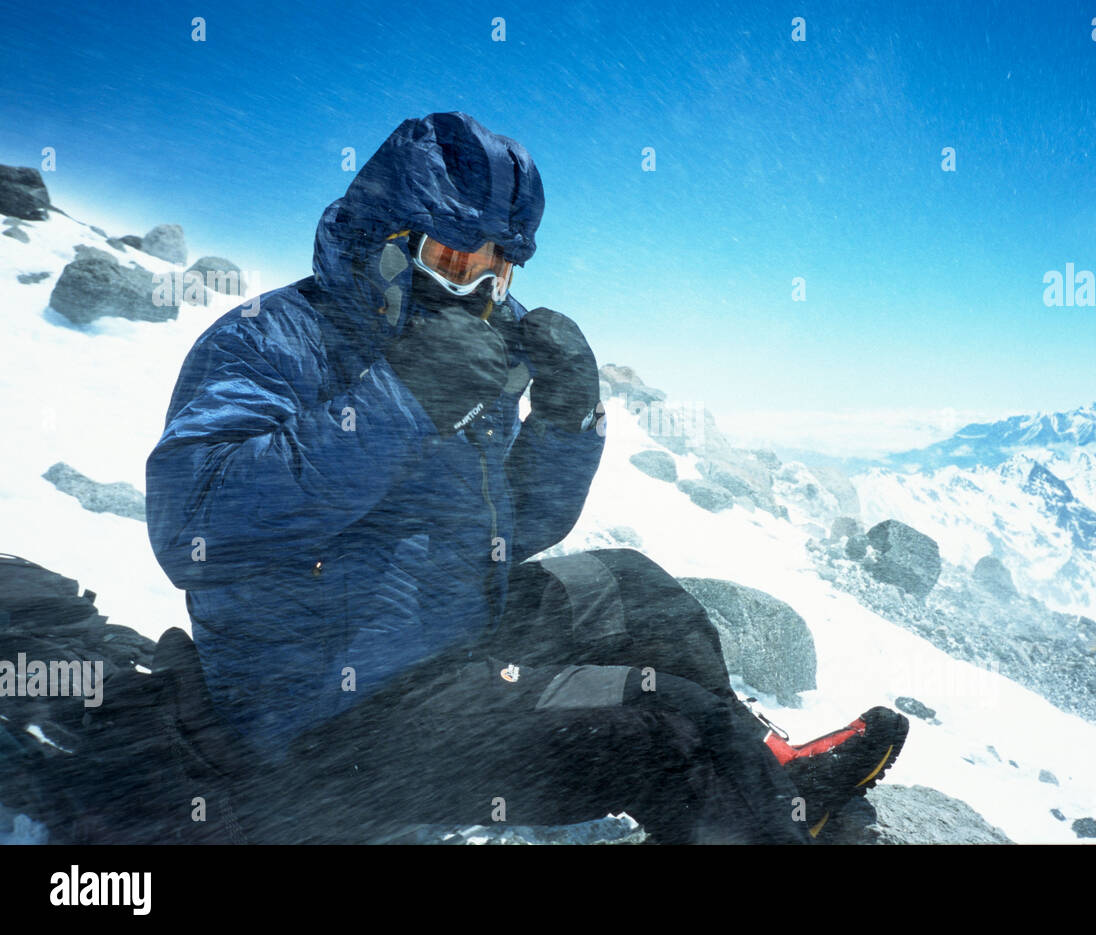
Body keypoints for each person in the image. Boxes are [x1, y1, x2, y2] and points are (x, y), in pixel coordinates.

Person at [145, 111, 907, 844]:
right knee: (663, 724)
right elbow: (194, 531)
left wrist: (566, 422)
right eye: (453, 261)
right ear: (385, 241)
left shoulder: (470, 351)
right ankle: (752, 812)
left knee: (640, 591)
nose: (480, 291)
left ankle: (768, 781)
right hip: (324, 716)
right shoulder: (268, 342)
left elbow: (511, 534)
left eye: (499, 267)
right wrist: (399, 401)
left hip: (444, 640)